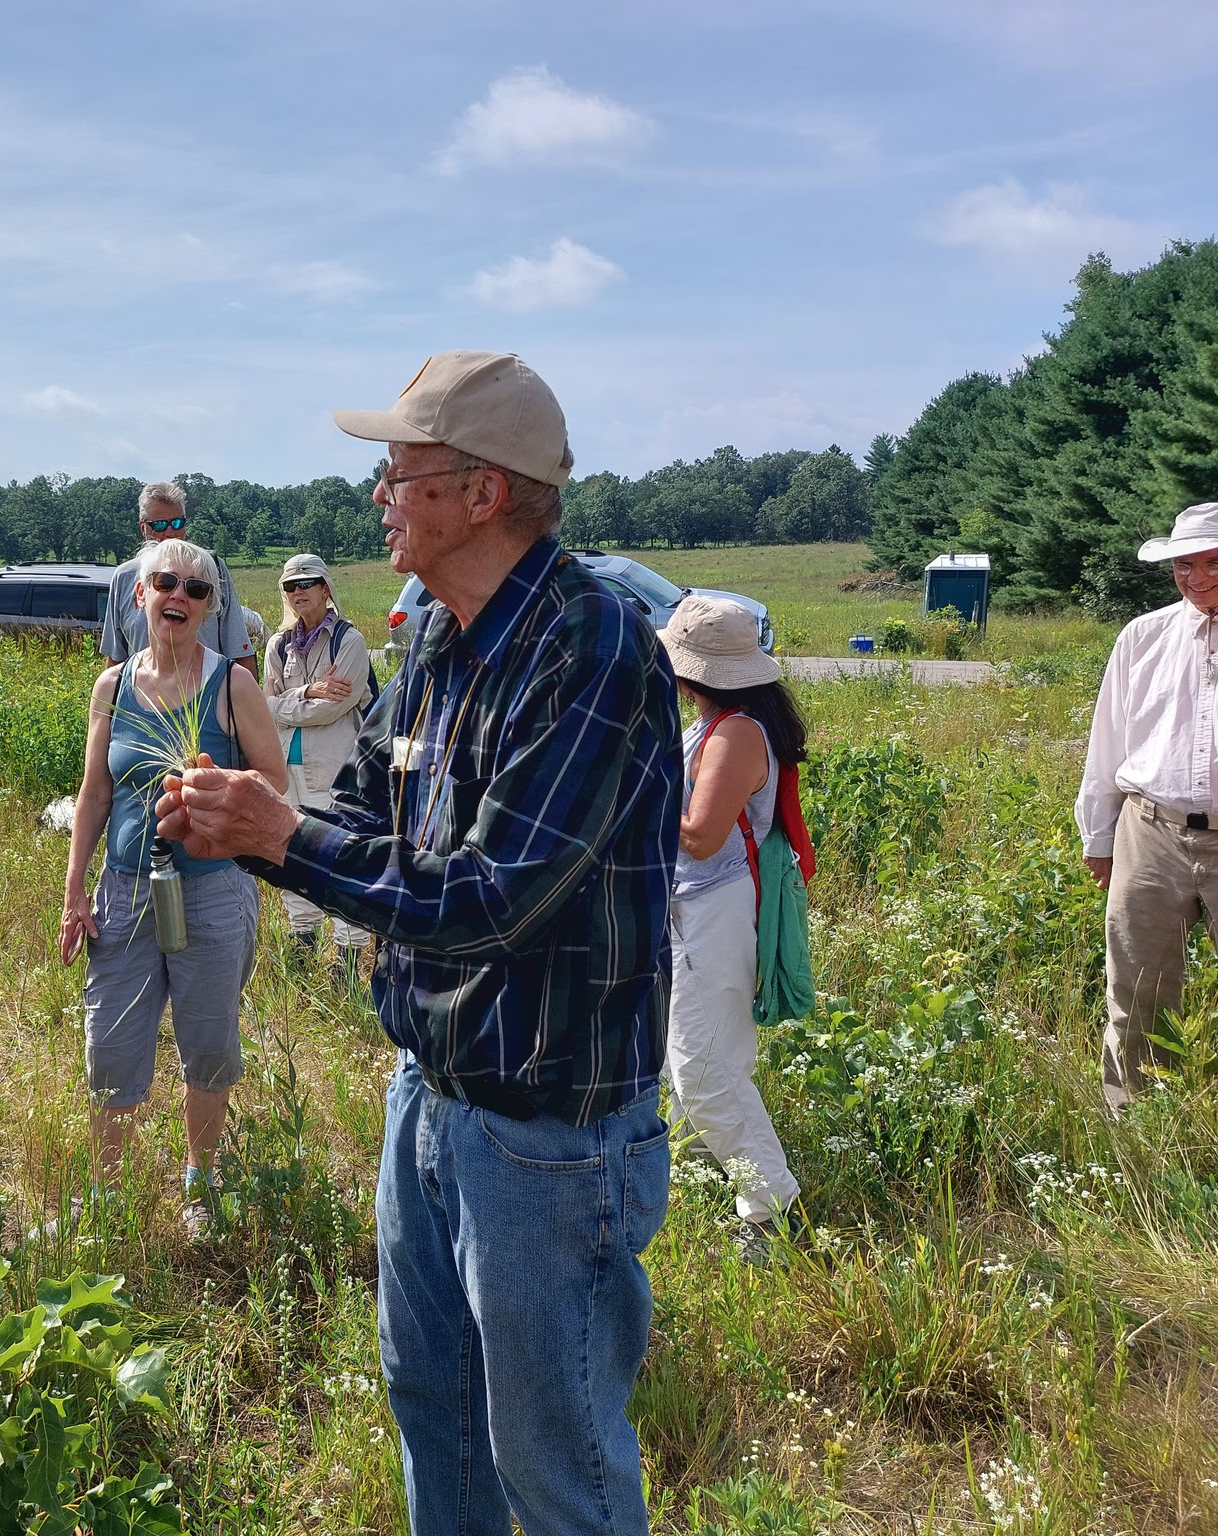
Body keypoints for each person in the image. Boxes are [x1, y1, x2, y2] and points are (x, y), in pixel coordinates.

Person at [157, 352, 679, 1535]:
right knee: (431, 1406)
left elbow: (494, 896)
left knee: (554, 1463)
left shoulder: (588, 647)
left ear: (481, 493)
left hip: (547, 1132)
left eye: (399, 471)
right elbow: (382, 822)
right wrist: (244, 819)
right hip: (430, 1096)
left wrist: (283, 839)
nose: (379, 495)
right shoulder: (446, 637)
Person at [62, 538, 287, 1231]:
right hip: (125, 890)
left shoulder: (233, 685)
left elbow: (275, 784)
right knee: (112, 1040)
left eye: (197, 591)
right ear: (140, 594)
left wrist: (217, 798)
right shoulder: (113, 685)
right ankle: (105, 1196)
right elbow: (95, 792)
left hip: (213, 890)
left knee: (209, 1037)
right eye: (166, 583)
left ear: (211, 608)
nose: (179, 598)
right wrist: (76, 893)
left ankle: (202, 1185)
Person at [656, 596, 805, 1248]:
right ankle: (708, 1181)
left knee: (707, 1071)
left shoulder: (737, 732)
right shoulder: (718, 722)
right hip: (701, 907)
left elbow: (699, 835)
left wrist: (635, 785)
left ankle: (773, 1212)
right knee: (687, 1061)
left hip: (717, 908)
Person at [1076, 500, 1218, 1110]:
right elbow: (1108, 741)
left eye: (1214, 562)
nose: (1197, 577)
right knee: (1137, 988)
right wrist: (1100, 835)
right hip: (1151, 829)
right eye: (1184, 565)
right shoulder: (1142, 636)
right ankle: (1137, 1126)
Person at [262, 552, 374, 971]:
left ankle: (347, 954)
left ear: (326, 589)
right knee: (288, 849)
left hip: (335, 765)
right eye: (290, 586)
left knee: (340, 853)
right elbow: (265, 703)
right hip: (286, 766)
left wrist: (285, 702)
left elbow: (334, 708)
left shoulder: (350, 641)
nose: (297, 592)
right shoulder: (278, 644)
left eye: (306, 583)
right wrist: (309, 692)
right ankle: (302, 939)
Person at [101, 481, 257, 675]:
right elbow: (116, 658)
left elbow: (238, 648)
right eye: (158, 525)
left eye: (177, 523)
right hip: (143, 697)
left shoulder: (211, 569)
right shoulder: (124, 577)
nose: (170, 533)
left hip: (205, 695)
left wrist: (245, 699)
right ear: (143, 528)